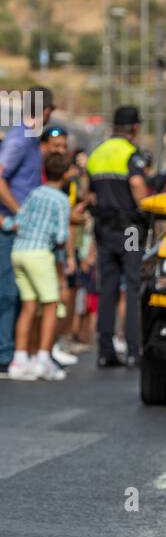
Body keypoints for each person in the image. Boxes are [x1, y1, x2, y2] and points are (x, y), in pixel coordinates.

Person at [86, 106, 150, 368]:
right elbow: (136, 185)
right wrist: (146, 207)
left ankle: (105, 350)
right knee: (133, 286)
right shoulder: (130, 154)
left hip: (103, 228)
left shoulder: (97, 154)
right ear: (134, 128)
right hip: (130, 229)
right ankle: (134, 351)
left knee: (107, 289)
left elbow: (88, 194)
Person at [0, 86, 54, 375]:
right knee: (8, 293)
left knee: (21, 294)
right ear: (46, 111)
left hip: (20, 229)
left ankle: (17, 353)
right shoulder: (21, 139)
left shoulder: (30, 140)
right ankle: (5, 353)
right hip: (11, 228)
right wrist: (20, 214)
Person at [7, 150, 71, 380]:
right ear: (65, 174)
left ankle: (20, 359)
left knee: (28, 306)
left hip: (19, 250)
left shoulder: (34, 193)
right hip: (39, 253)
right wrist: (64, 262)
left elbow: (20, 220)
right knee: (51, 305)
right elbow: (61, 237)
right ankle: (43, 359)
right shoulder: (61, 199)